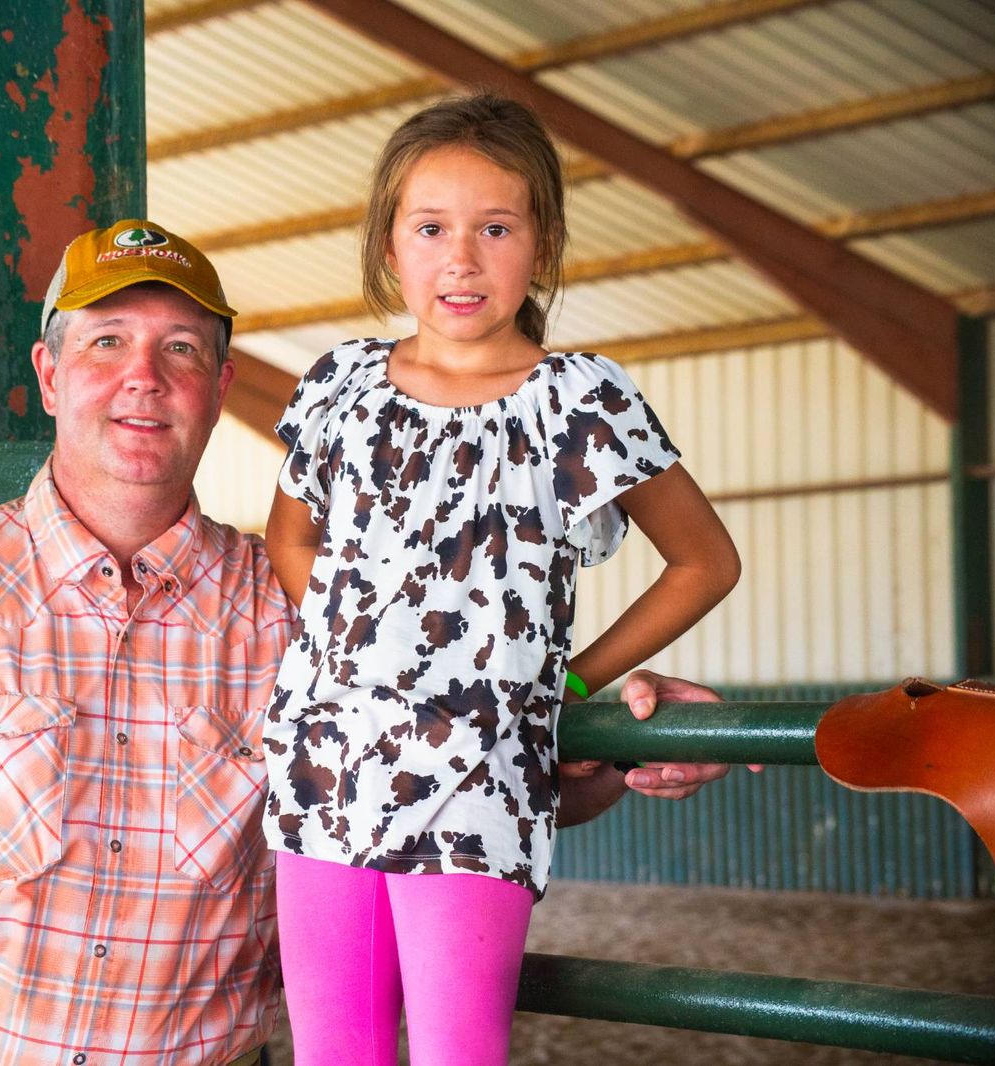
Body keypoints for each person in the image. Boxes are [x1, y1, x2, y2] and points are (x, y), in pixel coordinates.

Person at [0, 217, 739, 1066]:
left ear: (217, 387)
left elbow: (453, 779)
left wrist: (613, 737)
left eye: (183, 349)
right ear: (47, 373)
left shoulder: (307, 610)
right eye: (107, 342)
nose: (145, 377)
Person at [261, 92, 743, 1066]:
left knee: (455, 1050)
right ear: (389, 245)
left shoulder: (579, 403)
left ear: (544, 240)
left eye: (495, 227)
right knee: (333, 1051)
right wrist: (364, 659)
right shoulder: (339, 384)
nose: (462, 258)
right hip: (324, 766)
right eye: (430, 227)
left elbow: (703, 560)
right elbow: (290, 540)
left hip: (478, 779)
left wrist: (568, 679)